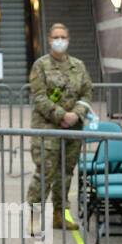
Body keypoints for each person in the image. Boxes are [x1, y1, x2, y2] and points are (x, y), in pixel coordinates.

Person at [27, 22, 92, 230]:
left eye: (63, 37)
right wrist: (62, 115)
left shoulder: (78, 66)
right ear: (49, 40)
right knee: (45, 173)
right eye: (56, 37)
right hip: (47, 129)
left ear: (68, 39)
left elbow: (87, 93)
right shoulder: (40, 66)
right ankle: (34, 217)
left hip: (73, 129)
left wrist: (77, 115)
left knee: (65, 174)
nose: (60, 41)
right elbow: (39, 97)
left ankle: (59, 215)